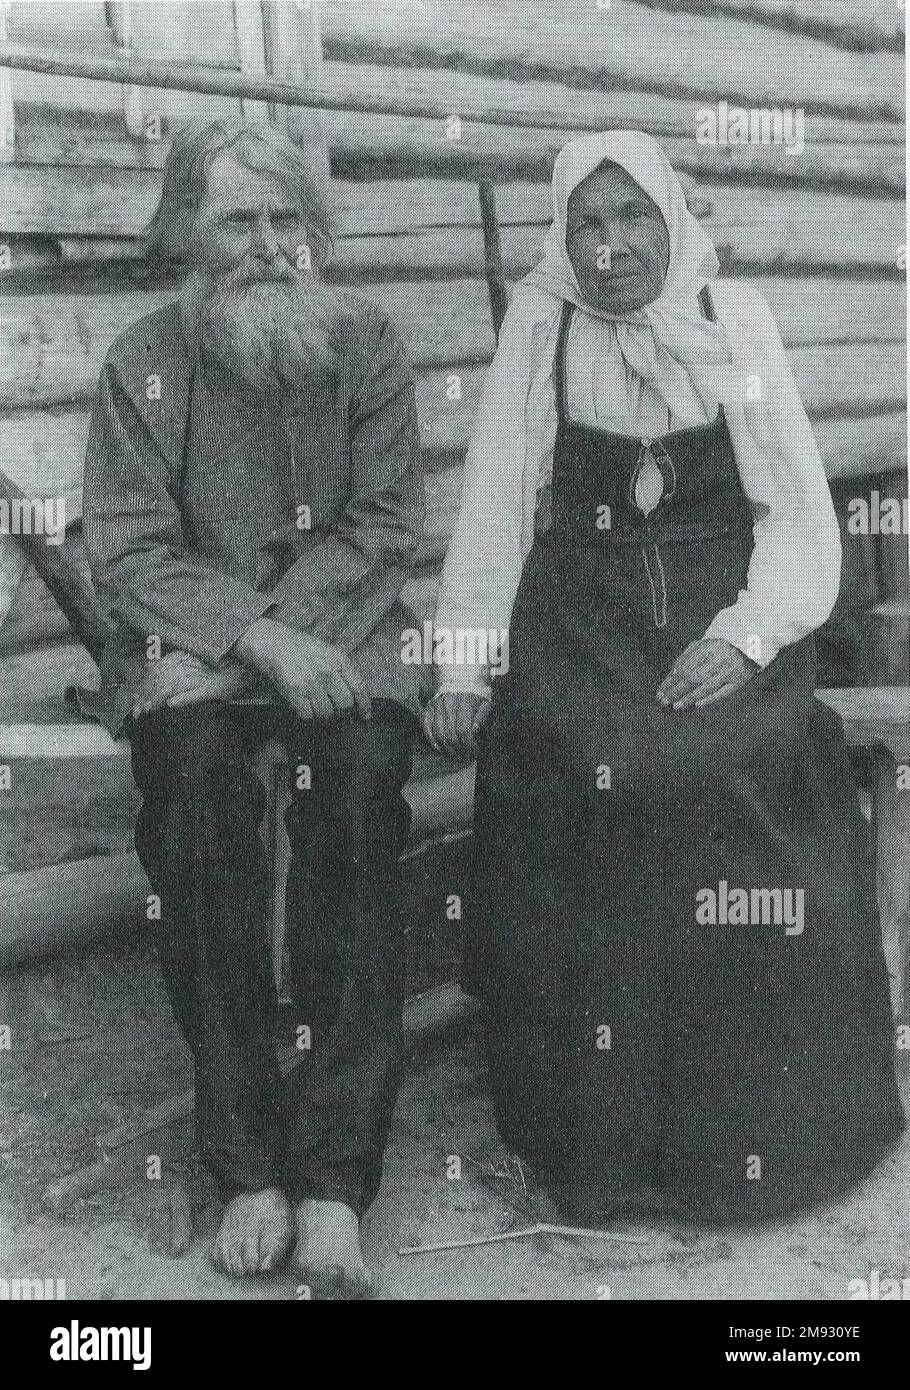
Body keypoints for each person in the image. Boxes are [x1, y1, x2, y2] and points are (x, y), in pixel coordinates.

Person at [425, 131, 903, 1225]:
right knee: (589, 769)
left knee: (740, 762)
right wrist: (461, 659)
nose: (610, 247)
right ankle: (596, 1141)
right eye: (587, 225)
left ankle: (765, 1135)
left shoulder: (732, 322)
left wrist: (745, 635)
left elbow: (795, 509)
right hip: (578, 619)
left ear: (671, 218)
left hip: (723, 611)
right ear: (565, 237)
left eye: (632, 217)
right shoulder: (539, 330)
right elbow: (497, 503)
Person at [83, 119, 428, 1296]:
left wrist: (268, 648)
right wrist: (257, 640)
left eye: (288, 219)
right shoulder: (141, 363)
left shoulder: (368, 345)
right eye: (238, 219)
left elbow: (385, 526)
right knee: (194, 810)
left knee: (361, 796)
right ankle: (247, 1168)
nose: (269, 246)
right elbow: (129, 555)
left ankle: (334, 1178)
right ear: (186, 229)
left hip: (337, 650)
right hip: (198, 660)